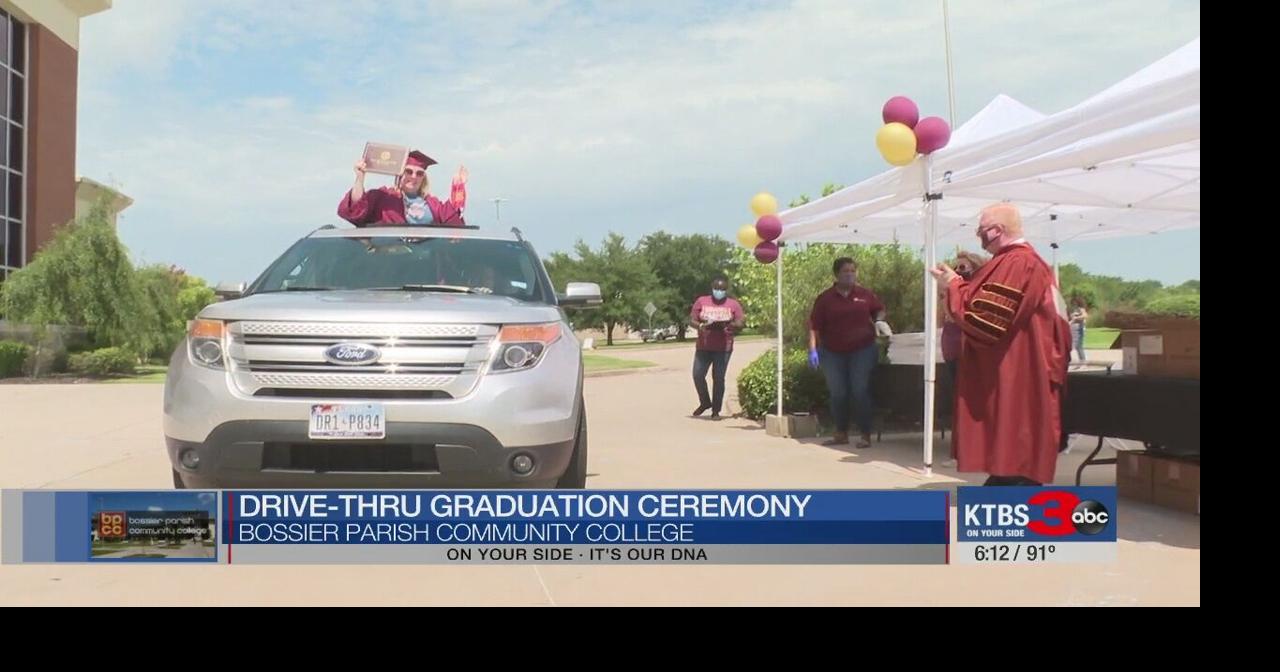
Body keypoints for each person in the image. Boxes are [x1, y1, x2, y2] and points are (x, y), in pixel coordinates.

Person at [930, 203, 1072, 486]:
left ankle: (1009, 516)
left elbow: (986, 319)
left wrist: (955, 286)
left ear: (997, 230)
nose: (979, 236)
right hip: (1019, 364)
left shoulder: (1018, 262)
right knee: (1014, 455)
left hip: (1019, 369)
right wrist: (956, 284)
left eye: (981, 230)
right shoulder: (1018, 262)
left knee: (1017, 452)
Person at [808, 257, 891, 448]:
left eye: (853, 271)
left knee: (859, 390)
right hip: (832, 352)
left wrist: (879, 320)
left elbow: (879, 310)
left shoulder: (865, 294)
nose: (850, 274)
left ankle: (865, 434)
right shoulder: (825, 298)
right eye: (846, 271)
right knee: (838, 393)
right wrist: (813, 349)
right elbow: (814, 325)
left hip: (862, 350)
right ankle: (841, 433)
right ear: (837, 274)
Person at [940, 250, 987, 465]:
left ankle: (971, 450)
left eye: (963, 267)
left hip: (970, 351)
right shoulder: (952, 291)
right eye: (956, 267)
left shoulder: (978, 289)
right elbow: (945, 317)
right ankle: (961, 451)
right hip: (952, 348)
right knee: (958, 401)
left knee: (971, 403)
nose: (959, 271)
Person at [338, 150, 467, 227]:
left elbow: (454, 223)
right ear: (399, 173)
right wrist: (360, 178)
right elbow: (355, 210)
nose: (414, 177)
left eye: (419, 173)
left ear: (423, 178)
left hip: (424, 264)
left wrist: (458, 187)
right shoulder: (383, 197)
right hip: (391, 264)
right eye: (409, 171)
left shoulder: (432, 204)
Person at [688, 277, 745, 420]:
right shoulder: (702, 301)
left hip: (723, 347)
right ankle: (705, 402)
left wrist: (730, 325)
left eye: (722, 289)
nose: (719, 291)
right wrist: (701, 325)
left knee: (718, 378)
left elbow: (741, 322)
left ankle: (716, 410)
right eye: (717, 288)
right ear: (712, 288)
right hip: (704, 346)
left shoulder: (733, 304)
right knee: (698, 375)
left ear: (726, 290)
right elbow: (692, 320)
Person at [1069, 296, 1089, 364]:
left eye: (1075, 302)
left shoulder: (1081, 309)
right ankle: (1081, 360)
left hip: (1079, 329)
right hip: (1073, 329)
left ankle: (1083, 360)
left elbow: (1085, 315)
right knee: (1075, 346)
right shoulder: (1074, 309)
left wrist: (1076, 318)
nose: (1074, 303)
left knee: (1078, 346)